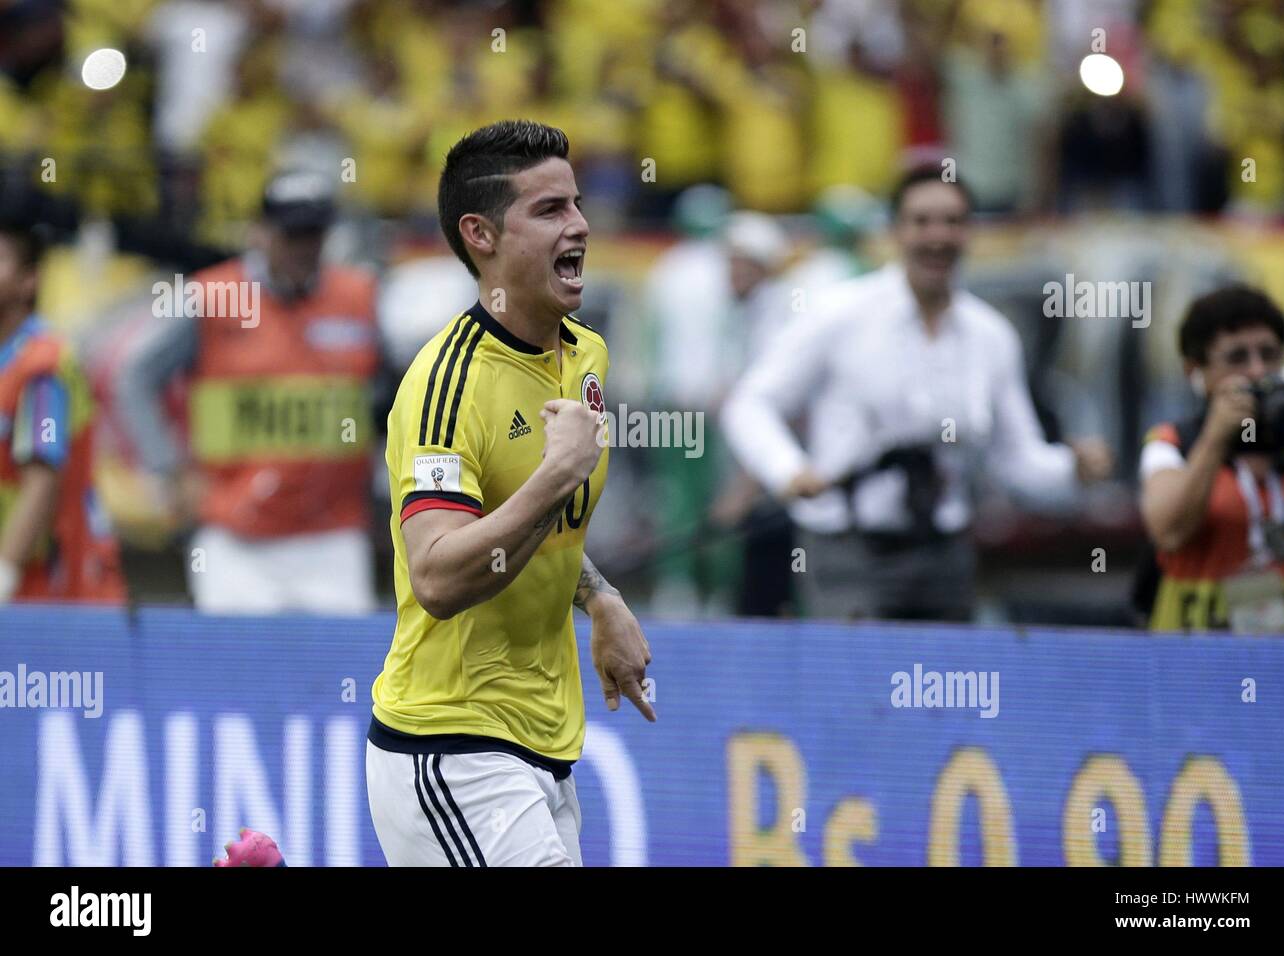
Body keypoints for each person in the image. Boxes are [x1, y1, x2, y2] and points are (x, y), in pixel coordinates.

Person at [366, 120, 654, 867]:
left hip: (543, 742)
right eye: (550, 209)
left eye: (578, 204)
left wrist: (599, 598)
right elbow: (436, 576)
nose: (582, 225)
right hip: (451, 745)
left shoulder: (583, 351)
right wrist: (556, 473)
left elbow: (540, 529)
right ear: (480, 235)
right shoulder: (445, 386)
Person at [722, 164, 1112, 621]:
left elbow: (1018, 459)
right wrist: (789, 470)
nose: (938, 236)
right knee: (855, 685)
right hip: (848, 551)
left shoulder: (991, 335)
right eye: (922, 221)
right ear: (896, 231)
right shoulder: (840, 313)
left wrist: (1074, 469)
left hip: (946, 553)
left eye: (952, 222)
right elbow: (750, 404)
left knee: (941, 687)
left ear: (970, 233)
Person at [115, 169, 380, 614]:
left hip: (334, 536)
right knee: (235, 676)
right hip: (234, 538)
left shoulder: (359, 296)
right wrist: (169, 469)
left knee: (340, 675)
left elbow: (391, 392)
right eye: (292, 234)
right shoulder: (211, 297)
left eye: (314, 233)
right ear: (260, 233)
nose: (305, 247)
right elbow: (135, 379)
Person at [1139, 286, 1284, 632]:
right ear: (1195, 370)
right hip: (1193, 650)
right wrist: (1215, 439)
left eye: (1269, 355)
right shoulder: (1173, 443)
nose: (1258, 371)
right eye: (1237, 358)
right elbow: (1169, 532)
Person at [0, 220, 124, 605]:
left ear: (28, 281)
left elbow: (42, 481)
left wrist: (4, 573)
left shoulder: (43, 365)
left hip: (52, 587)